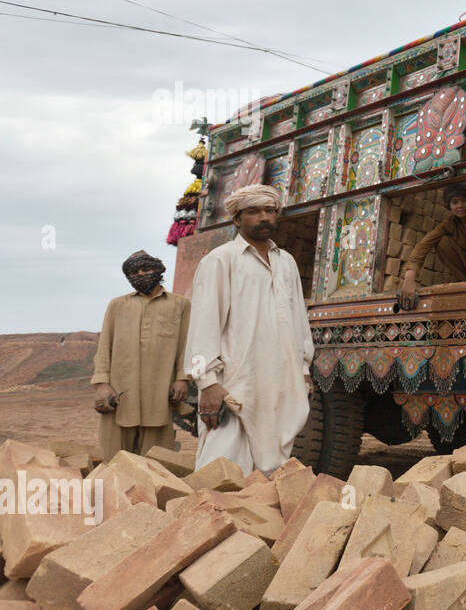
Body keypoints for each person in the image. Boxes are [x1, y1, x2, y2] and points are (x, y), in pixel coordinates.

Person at [185, 183, 314, 475]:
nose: (264, 217)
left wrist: (304, 371)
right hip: (234, 382)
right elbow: (203, 325)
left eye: (270, 211)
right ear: (237, 219)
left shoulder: (287, 263)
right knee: (223, 469)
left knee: (272, 468)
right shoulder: (220, 260)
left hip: (281, 380)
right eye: (254, 212)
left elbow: (298, 321)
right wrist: (207, 383)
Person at [91, 251, 190, 460]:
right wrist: (101, 384)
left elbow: (186, 345)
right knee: (114, 462)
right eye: (134, 272)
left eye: (146, 269)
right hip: (119, 395)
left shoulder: (180, 305)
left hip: (159, 394)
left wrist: (182, 378)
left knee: (156, 464)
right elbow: (104, 346)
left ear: (158, 270)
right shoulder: (117, 305)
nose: (141, 274)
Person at [398, 182, 466, 309]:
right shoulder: (449, 224)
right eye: (455, 202)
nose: (461, 206)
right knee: (442, 243)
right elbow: (424, 245)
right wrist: (409, 279)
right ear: (449, 205)